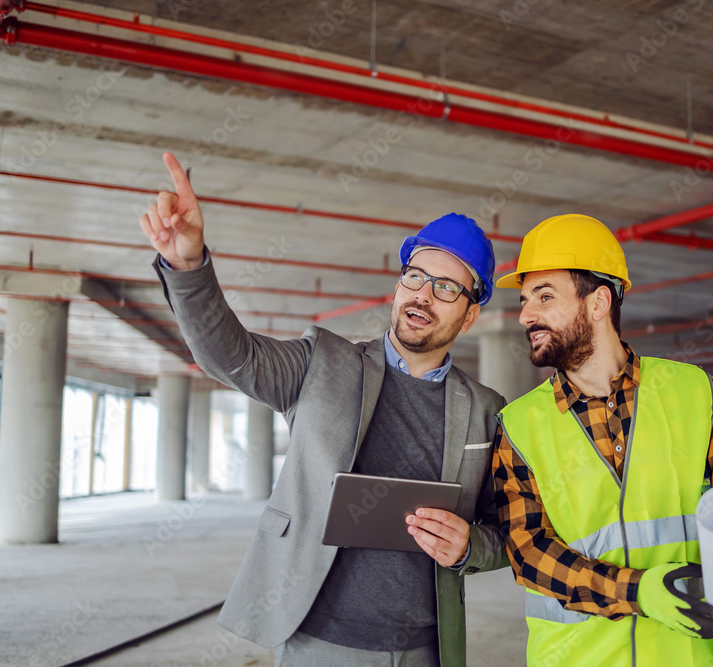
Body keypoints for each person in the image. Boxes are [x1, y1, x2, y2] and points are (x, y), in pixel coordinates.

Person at [139, 152, 508, 667]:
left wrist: (472, 546)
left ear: (470, 315)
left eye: (447, 288)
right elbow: (232, 355)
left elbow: (508, 528)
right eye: (415, 276)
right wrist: (187, 265)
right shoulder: (324, 365)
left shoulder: (487, 410)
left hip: (425, 649)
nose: (423, 294)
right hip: (318, 642)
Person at [491, 214, 713, 666]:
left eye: (545, 297)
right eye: (525, 300)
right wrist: (638, 591)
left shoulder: (693, 391)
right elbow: (529, 552)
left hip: (691, 655)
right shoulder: (518, 424)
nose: (525, 315)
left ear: (598, 303)